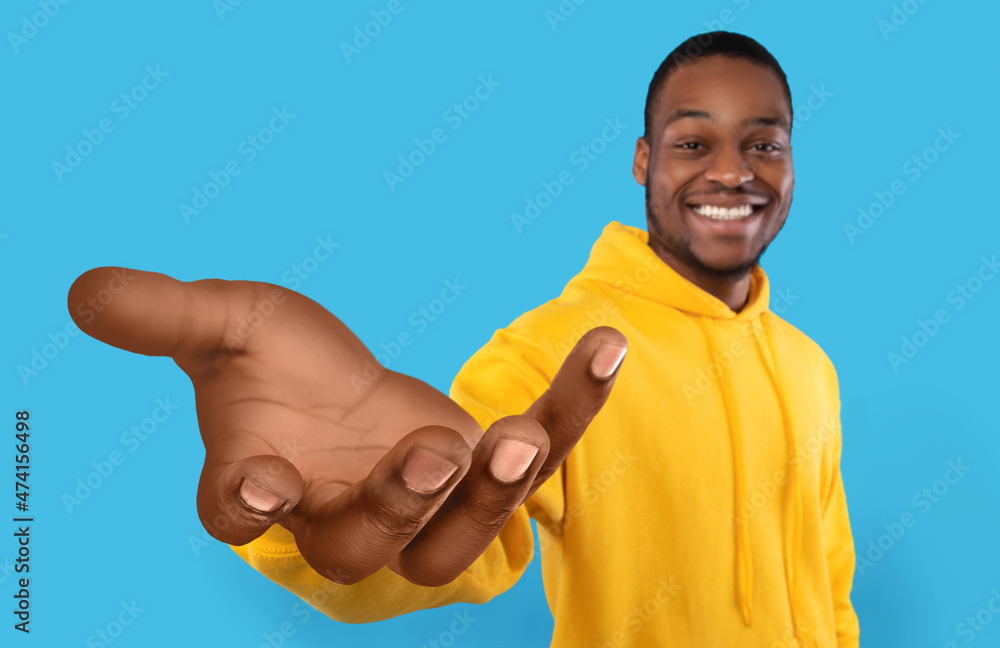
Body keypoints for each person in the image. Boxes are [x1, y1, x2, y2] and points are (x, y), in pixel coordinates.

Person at [68, 31, 859, 647]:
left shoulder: (809, 367)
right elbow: (451, 543)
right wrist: (314, 519)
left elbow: (831, 583)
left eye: (766, 143)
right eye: (693, 143)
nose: (733, 171)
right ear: (643, 160)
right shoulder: (554, 350)